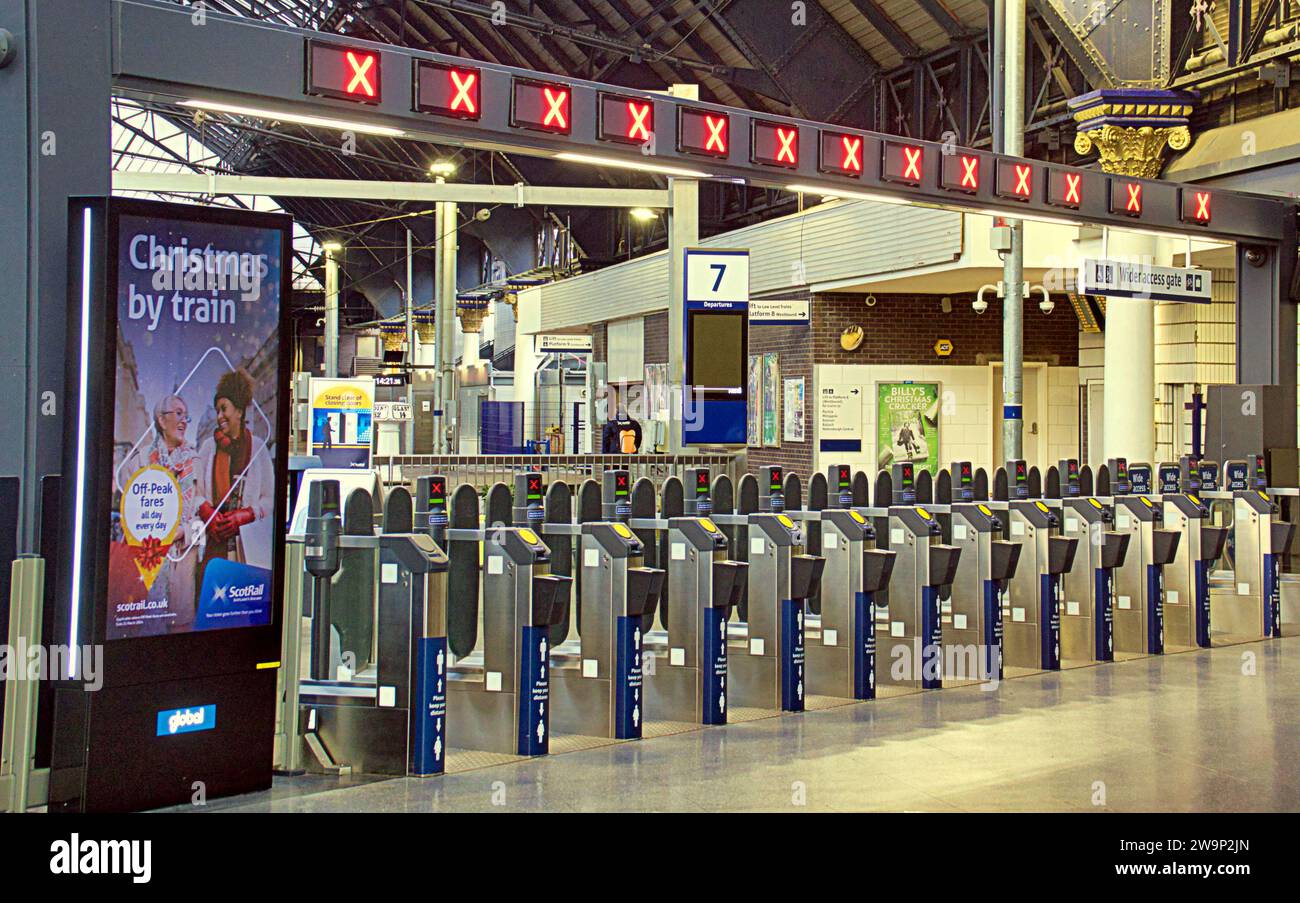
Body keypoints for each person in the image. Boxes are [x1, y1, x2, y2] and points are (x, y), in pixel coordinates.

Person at [117, 393, 200, 633]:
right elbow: (128, 513)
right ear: (161, 420)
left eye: (186, 416)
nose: (184, 421)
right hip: (146, 563)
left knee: (179, 630)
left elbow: (205, 519)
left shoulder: (195, 462)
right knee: (143, 630)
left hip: (181, 562)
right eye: (178, 414)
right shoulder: (141, 460)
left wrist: (183, 531)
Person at [195, 369, 275, 572]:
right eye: (217, 411)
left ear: (239, 411)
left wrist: (246, 515)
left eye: (224, 409)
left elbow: (270, 499)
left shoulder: (258, 448)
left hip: (248, 549)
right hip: (215, 546)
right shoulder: (208, 448)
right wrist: (208, 514)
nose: (219, 416)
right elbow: (196, 494)